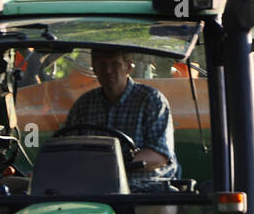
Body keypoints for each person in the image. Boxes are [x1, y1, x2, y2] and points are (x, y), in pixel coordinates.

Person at [64, 49, 178, 189]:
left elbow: (159, 156)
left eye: (115, 64)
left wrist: (112, 163)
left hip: (146, 187)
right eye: (102, 64)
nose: (108, 71)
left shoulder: (151, 100)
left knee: (160, 206)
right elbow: (66, 150)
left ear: (128, 67)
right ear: (94, 68)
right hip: (92, 188)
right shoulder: (84, 105)